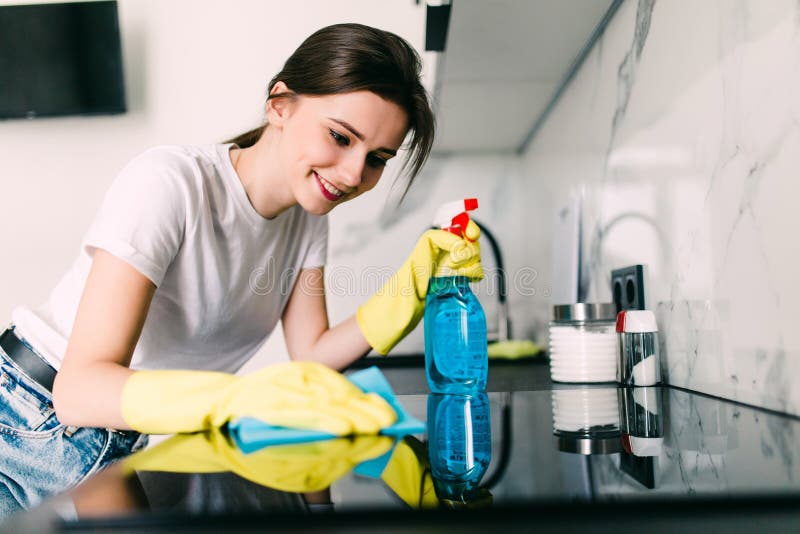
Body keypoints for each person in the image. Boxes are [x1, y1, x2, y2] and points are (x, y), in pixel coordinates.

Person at [0, 23, 482, 516]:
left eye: (377, 158)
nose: (354, 174)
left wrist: (413, 285)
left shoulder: (306, 216)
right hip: (20, 418)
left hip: (111, 442)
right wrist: (239, 398)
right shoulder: (169, 184)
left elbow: (312, 357)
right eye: (340, 137)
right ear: (280, 104)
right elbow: (79, 392)